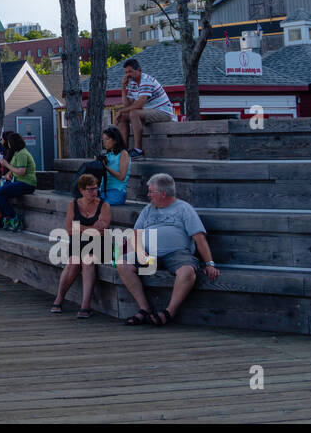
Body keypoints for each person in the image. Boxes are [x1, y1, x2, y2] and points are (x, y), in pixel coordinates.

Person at [118, 173, 219, 326]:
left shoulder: (184, 209)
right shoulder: (148, 209)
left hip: (177, 254)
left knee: (187, 271)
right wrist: (139, 251)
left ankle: (169, 312)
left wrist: (210, 263)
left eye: (151, 191)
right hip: (149, 255)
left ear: (163, 194)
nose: (148, 195)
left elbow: (199, 237)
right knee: (122, 263)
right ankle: (144, 309)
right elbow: (136, 234)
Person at [51, 173, 111, 318]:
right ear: (82, 190)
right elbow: (69, 229)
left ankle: (85, 305)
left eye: (96, 188)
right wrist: (91, 228)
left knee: (87, 260)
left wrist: (80, 227)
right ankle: (59, 298)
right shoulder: (73, 204)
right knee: (73, 261)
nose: (94, 192)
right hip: (78, 242)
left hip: (101, 244)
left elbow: (102, 231)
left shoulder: (104, 205)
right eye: (90, 189)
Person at [114, 58, 175, 159]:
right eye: (125, 72)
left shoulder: (145, 80)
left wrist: (121, 111)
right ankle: (123, 151)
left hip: (163, 112)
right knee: (123, 117)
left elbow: (139, 104)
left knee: (133, 113)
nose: (128, 75)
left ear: (138, 70)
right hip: (148, 112)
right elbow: (127, 105)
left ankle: (138, 150)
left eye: (130, 71)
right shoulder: (133, 84)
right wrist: (123, 88)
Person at [0, 132, 37, 233]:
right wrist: (8, 175)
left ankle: (14, 216)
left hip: (27, 183)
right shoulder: (17, 153)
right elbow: (14, 169)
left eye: (9, 143)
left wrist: (6, 165)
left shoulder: (22, 154)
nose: (8, 145)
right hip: (18, 181)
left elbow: (21, 171)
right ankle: (7, 216)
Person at [100, 126, 130, 206]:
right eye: (103, 139)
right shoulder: (108, 155)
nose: (104, 142)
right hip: (103, 190)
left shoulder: (123, 154)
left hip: (117, 191)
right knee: (80, 203)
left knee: (98, 206)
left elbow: (122, 177)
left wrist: (105, 167)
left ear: (115, 140)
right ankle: (75, 220)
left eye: (107, 139)